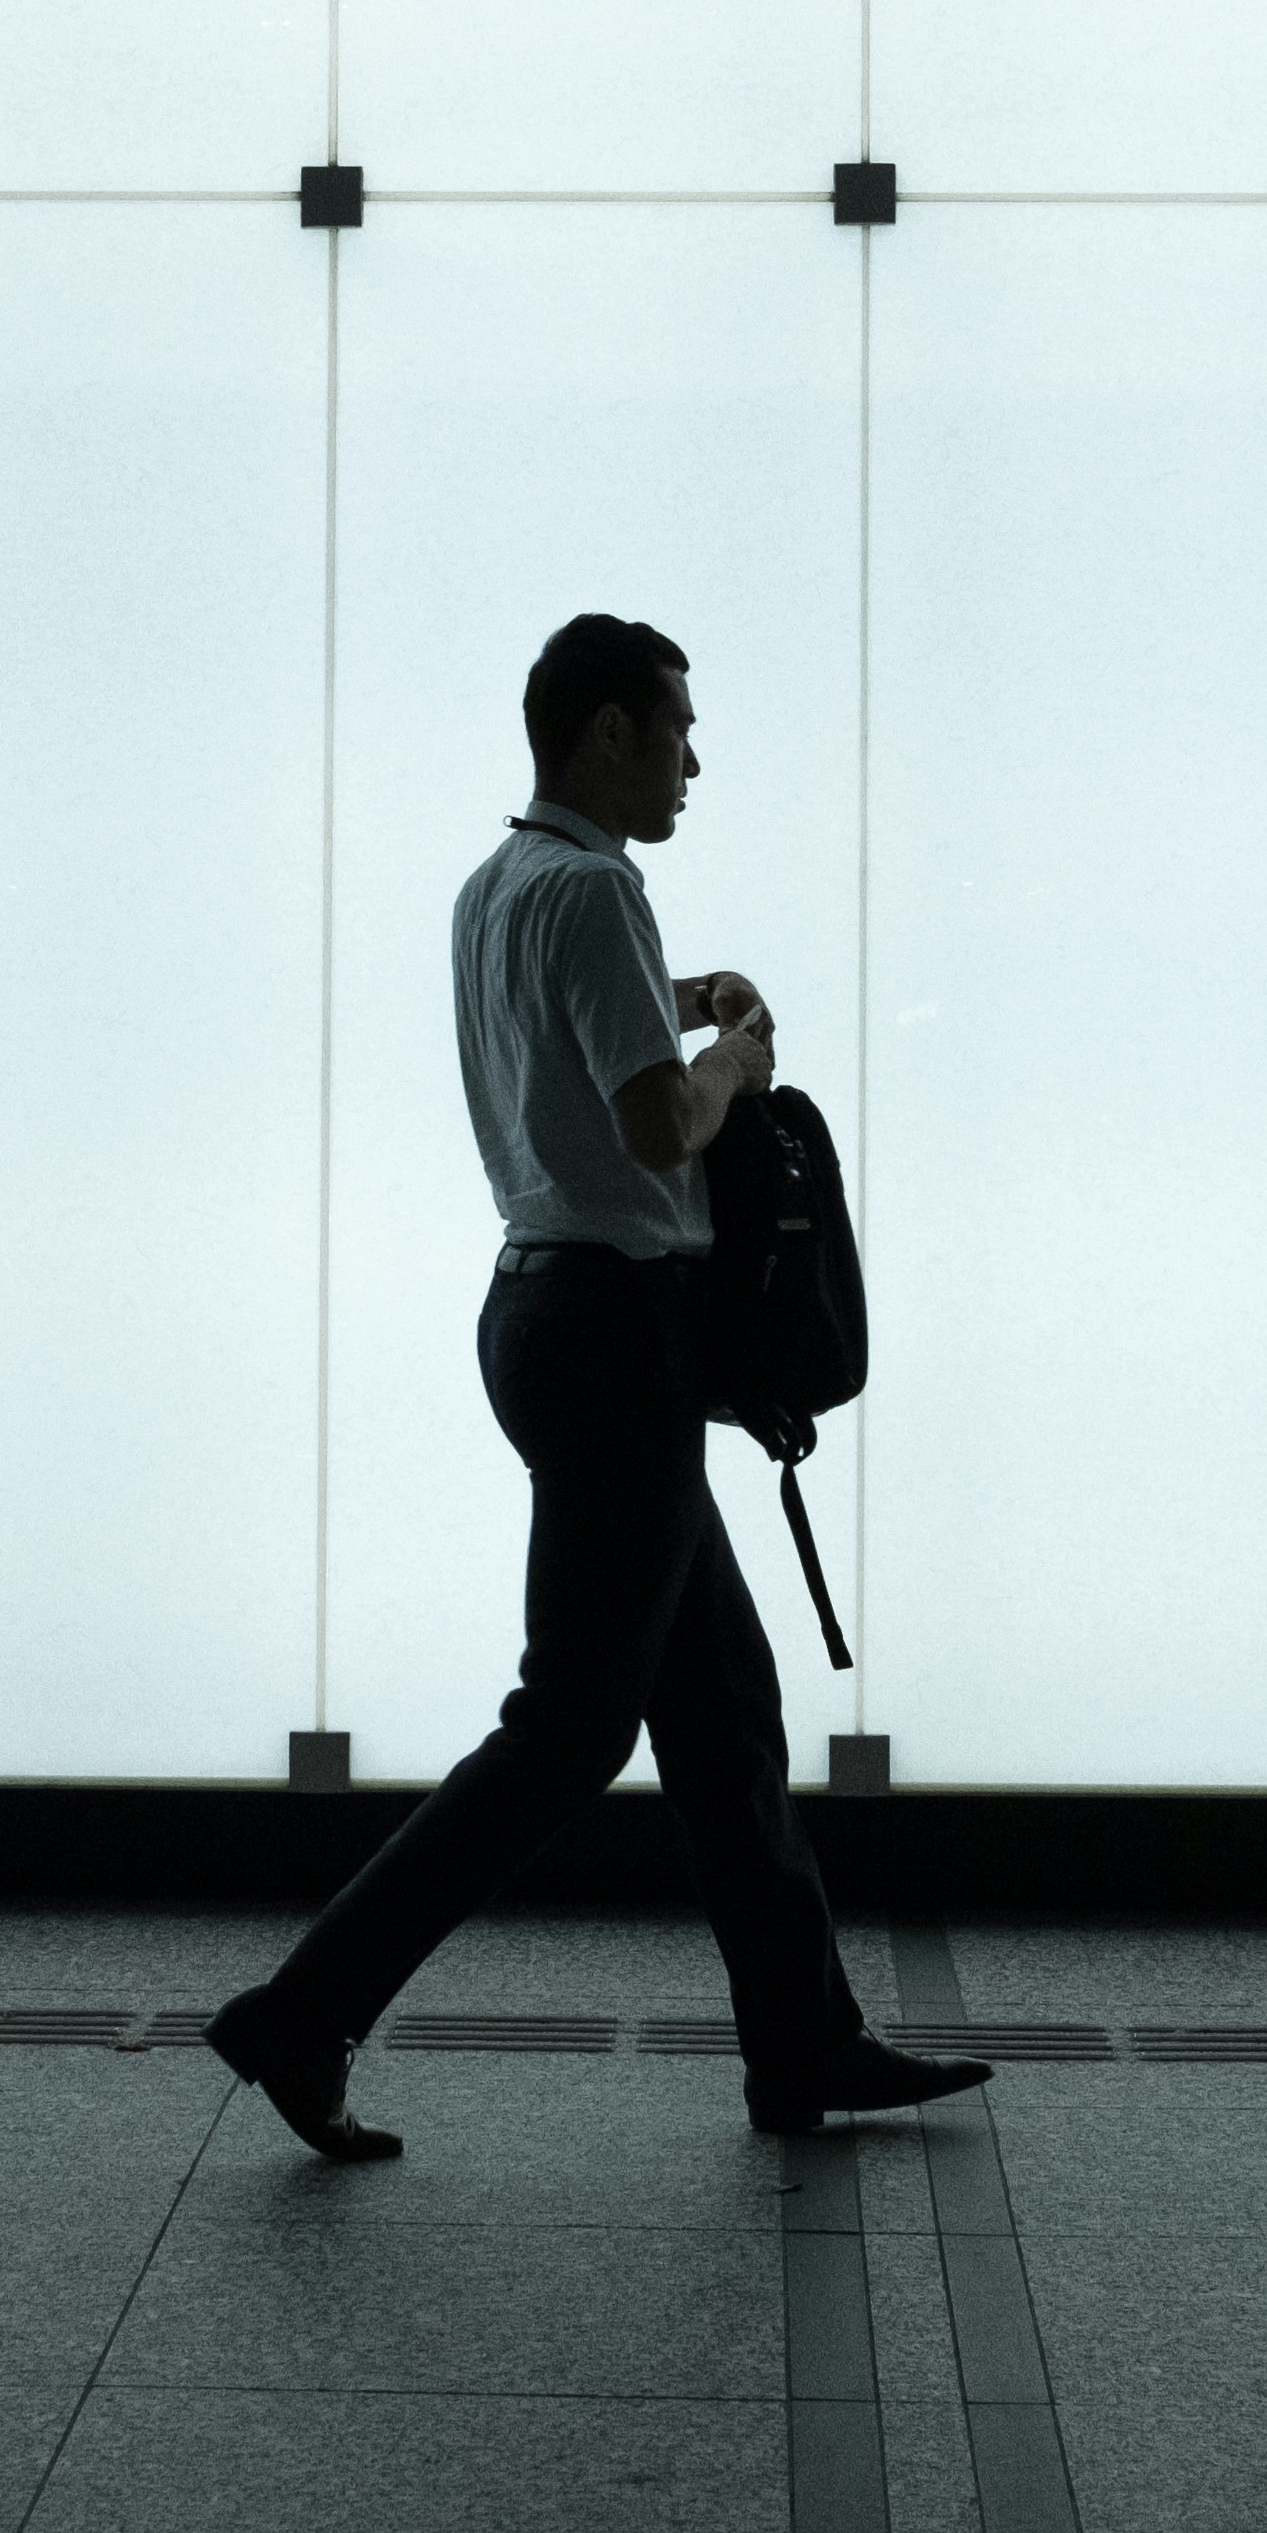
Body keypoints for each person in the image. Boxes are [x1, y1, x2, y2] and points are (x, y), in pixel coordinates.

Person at [199, 615, 992, 2163]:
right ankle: (305, 2007)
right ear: (608, 731)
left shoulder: (498, 887)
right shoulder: (598, 886)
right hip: (613, 1332)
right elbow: (651, 1128)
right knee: (567, 1730)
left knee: (723, 1712)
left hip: (540, 1308)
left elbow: (575, 1047)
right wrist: (741, 1062)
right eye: (678, 728)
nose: (696, 758)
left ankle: (804, 2046)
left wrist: (686, 992)